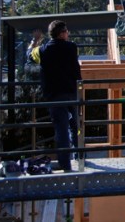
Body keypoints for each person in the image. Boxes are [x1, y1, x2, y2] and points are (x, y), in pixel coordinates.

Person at [39, 20, 82, 171]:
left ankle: (66, 164)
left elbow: (30, 56)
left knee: (61, 129)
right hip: (71, 91)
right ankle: (80, 156)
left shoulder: (43, 50)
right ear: (62, 33)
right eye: (67, 31)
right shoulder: (71, 47)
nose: (68, 33)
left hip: (54, 95)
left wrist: (34, 42)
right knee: (76, 125)